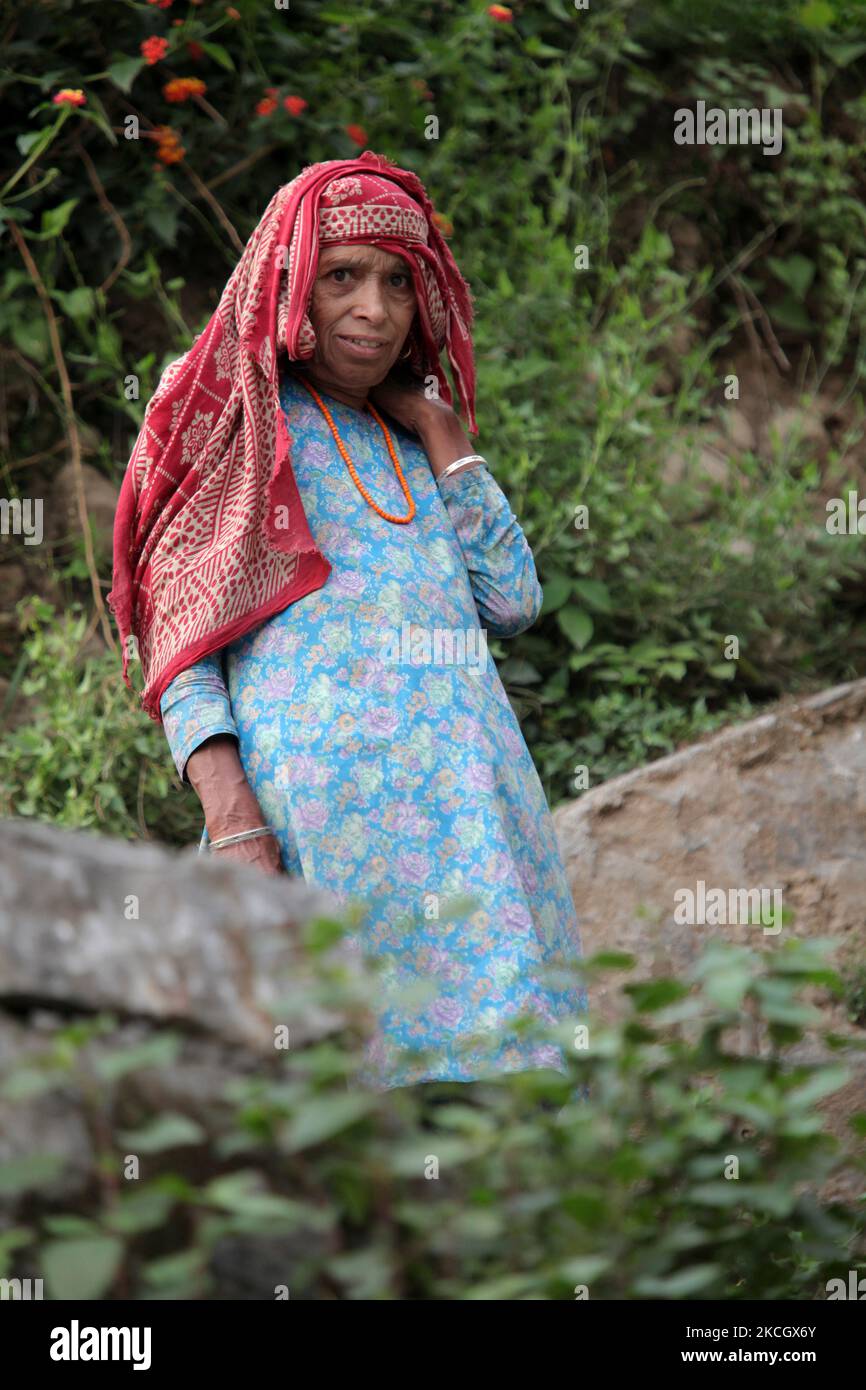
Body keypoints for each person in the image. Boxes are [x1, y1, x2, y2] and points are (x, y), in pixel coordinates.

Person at [110, 152, 587, 1093]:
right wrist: (235, 824)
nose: (373, 308)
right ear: (290, 286)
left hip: (473, 815)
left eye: (397, 283)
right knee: (351, 1112)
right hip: (325, 830)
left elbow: (514, 601)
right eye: (342, 277)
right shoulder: (237, 419)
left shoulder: (413, 438)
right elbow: (179, 651)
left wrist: (446, 436)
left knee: (505, 1105)